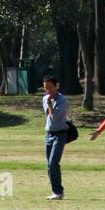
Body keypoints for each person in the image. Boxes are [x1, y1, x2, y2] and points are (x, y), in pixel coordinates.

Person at [42, 72, 69, 200]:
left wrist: (49, 104)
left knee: (54, 162)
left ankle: (59, 191)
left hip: (60, 134)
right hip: (49, 134)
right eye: (46, 88)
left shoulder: (62, 99)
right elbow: (47, 116)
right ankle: (54, 191)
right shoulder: (45, 98)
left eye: (50, 88)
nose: (48, 91)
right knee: (49, 164)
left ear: (56, 86)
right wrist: (47, 102)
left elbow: (54, 116)